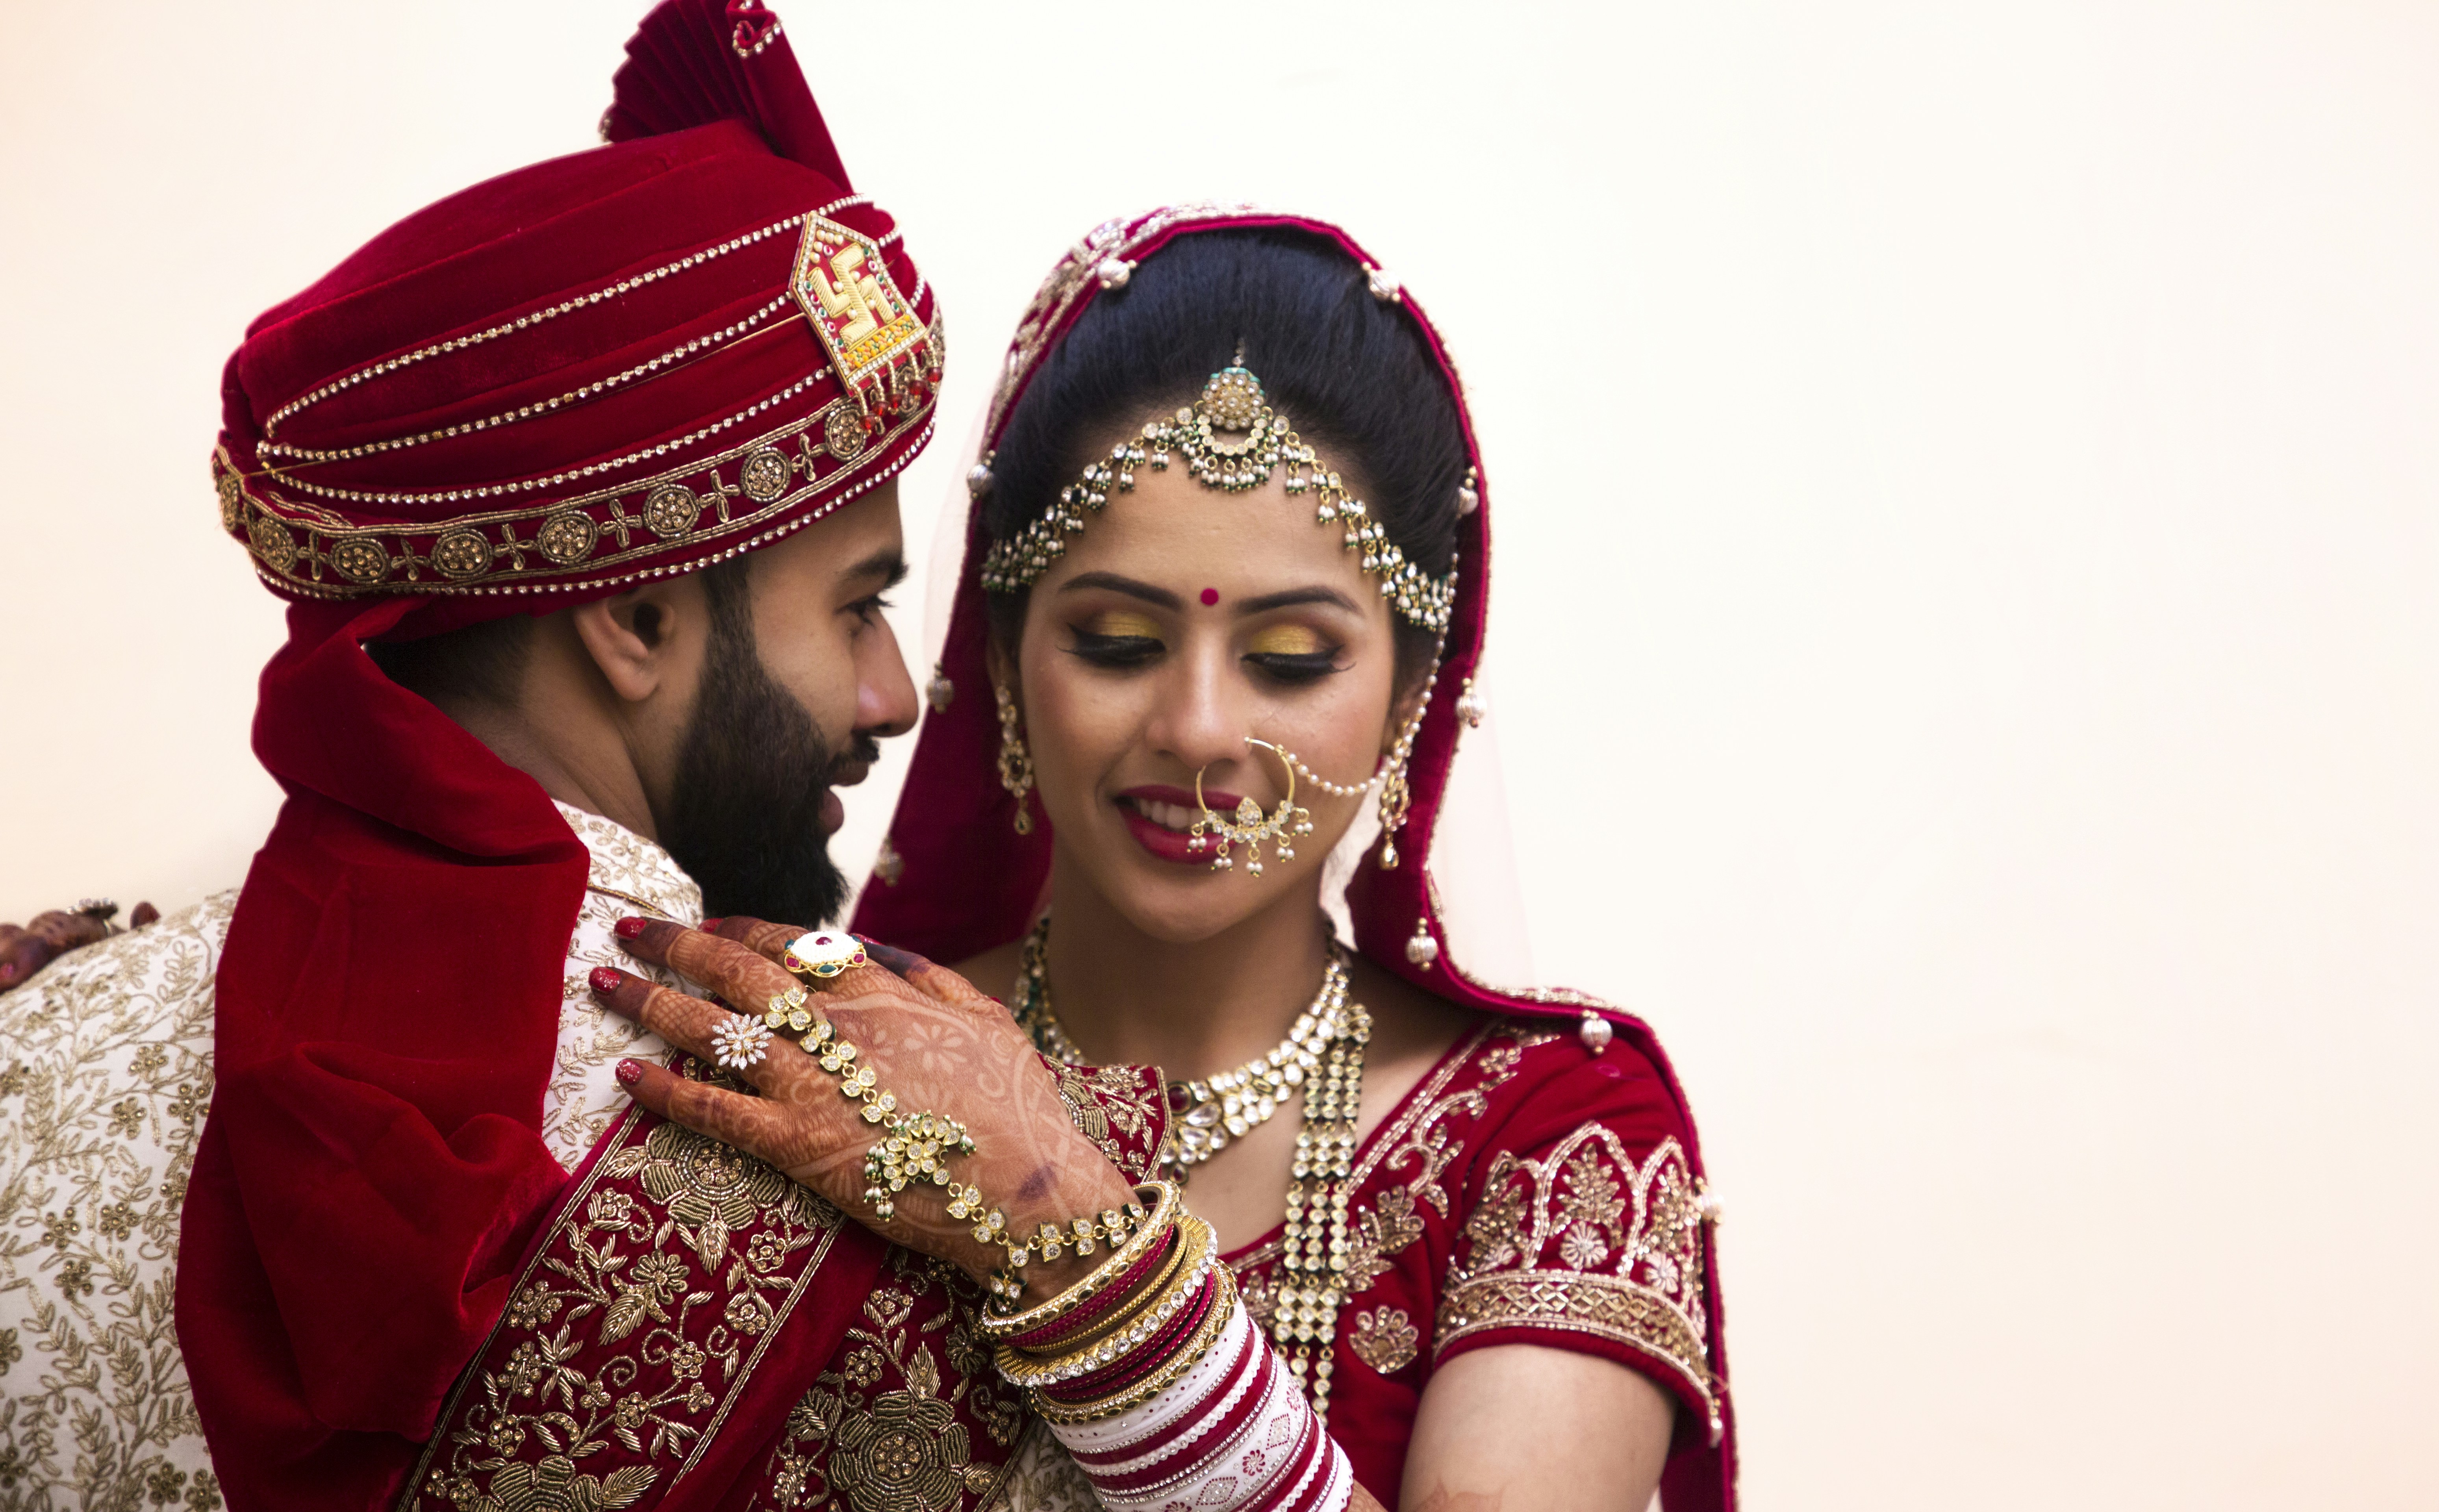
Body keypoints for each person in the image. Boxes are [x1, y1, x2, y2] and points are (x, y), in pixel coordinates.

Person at [0, 4, 1164, 1508]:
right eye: (858, 604)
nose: (892, 693)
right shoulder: (899, 1163)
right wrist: (1099, 1258)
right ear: (631, 617)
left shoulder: (44, 1037)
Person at [632, 214, 1739, 1508]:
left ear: (1410, 698)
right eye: (1113, 640)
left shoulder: (1553, 1140)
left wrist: (1078, 1258)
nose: (1199, 732)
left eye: (1288, 661)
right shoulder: (833, 1057)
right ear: (998, 656)